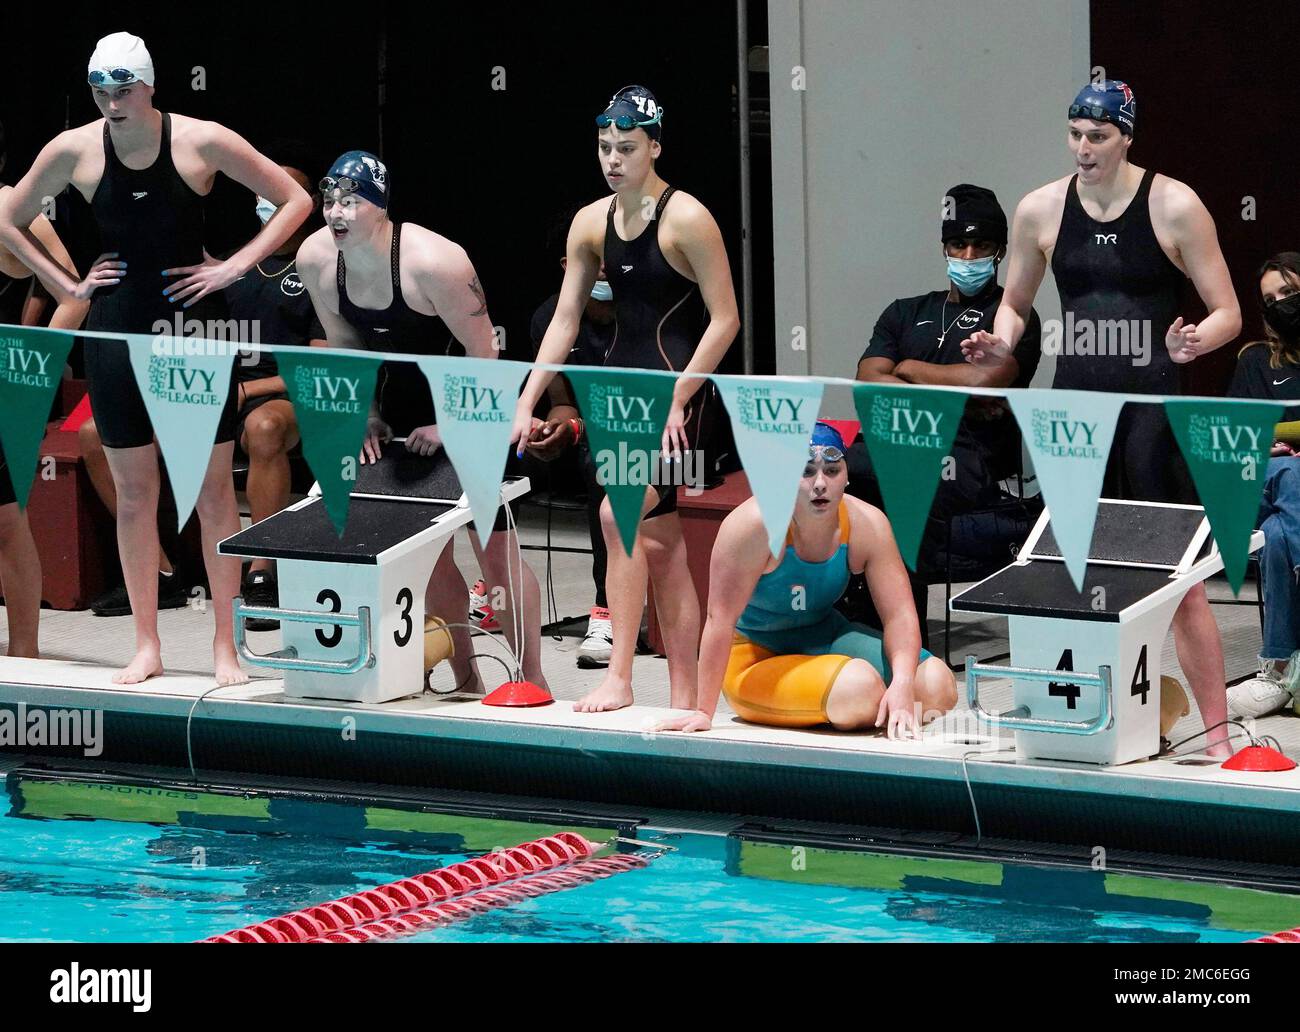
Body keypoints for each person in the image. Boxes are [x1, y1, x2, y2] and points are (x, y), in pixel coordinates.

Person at [0, 31, 312, 685]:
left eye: (123, 91)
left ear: (149, 87)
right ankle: (148, 645)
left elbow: (296, 200)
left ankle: (227, 648)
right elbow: (8, 215)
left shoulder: (200, 140)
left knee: (210, 495)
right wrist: (65, 284)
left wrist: (233, 268)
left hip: (193, 332)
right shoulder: (74, 150)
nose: (112, 104)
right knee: (138, 497)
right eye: (100, 91)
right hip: (116, 336)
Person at [962, 80, 1242, 756]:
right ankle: (1069, 713)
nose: (1084, 148)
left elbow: (1229, 311)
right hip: (1074, 413)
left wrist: (1196, 341)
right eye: (1075, 135)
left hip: (1152, 412)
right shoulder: (1039, 210)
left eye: (1099, 136)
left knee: (1180, 584)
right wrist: (1003, 339)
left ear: (1127, 137)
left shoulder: (1175, 205)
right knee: (1067, 570)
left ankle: (1219, 730)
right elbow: (1017, 303)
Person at [511, 85, 740, 712]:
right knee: (658, 544)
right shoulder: (591, 221)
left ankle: (618, 675)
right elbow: (564, 319)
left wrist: (679, 397)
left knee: (620, 518)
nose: (614, 159)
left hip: (677, 393)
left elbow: (725, 320)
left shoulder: (687, 218)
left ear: (655, 147)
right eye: (606, 148)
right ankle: (687, 697)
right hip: (618, 395)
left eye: (628, 148)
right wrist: (528, 399)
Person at [296, 150, 546, 694]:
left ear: (381, 208)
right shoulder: (316, 258)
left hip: (472, 408)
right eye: (329, 202)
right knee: (429, 561)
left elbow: (486, 355)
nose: (336, 214)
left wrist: (451, 425)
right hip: (404, 414)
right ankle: (467, 677)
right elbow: (344, 343)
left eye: (351, 203)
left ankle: (532, 679)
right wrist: (366, 414)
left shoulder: (436, 262)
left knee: (495, 555)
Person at [76, 163, 324, 627]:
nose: (264, 202)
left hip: (276, 393)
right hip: (211, 382)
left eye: (277, 195)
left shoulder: (316, 269)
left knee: (263, 427)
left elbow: (320, 366)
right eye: (257, 193)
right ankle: (162, 568)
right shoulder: (223, 265)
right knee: (94, 435)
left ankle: (261, 571)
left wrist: (247, 387)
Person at [656, 423, 957, 734]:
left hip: (827, 639)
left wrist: (903, 684)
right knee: (860, 689)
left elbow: (900, 616)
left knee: (936, 685)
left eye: (831, 470)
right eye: (806, 470)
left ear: (847, 475)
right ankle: (849, 703)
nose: (820, 484)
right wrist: (704, 711)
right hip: (754, 657)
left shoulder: (867, 524)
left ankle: (859, 704)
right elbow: (719, 620)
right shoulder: (754, 526)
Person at [851, 183, 1042, 571]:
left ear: (1000, 251)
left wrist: (907, 369)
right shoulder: (904, 311)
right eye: (958, 245)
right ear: (944, 248)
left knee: (913, 487)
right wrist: (954, 396)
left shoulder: (1011, 316)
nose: (968, 256)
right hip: (892, 439)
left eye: (982, 246)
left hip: (966, 456)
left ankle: (904, 612)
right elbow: (868, 380)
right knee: (833, 470)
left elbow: (985, 381)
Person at [0, 119, 89, 657]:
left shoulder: (8, 213)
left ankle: (25, 652)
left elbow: (74, 295)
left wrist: (34, 374)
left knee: (7, 520)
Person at [523, 209, 617, 667]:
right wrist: (555, 426)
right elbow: (563, 401)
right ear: (567, 265)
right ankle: (495, 588)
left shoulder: (640, 313)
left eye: (607, 255)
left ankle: (607, 609)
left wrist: (582, 430)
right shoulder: (549, 318)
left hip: (643, 431)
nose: (600, 266)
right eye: (588, 257)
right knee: (511, 450)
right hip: (586, 431)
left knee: (602, 466)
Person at [1225, 252, 1300, 718]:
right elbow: (1234, 435)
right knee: (1293, 475)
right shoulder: (1256, 361)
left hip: (1288, 506)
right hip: (1266, 477)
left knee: (1276, 536)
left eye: (1289, 293)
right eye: (1271, 300)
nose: (1280, 305)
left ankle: (1278, 668)